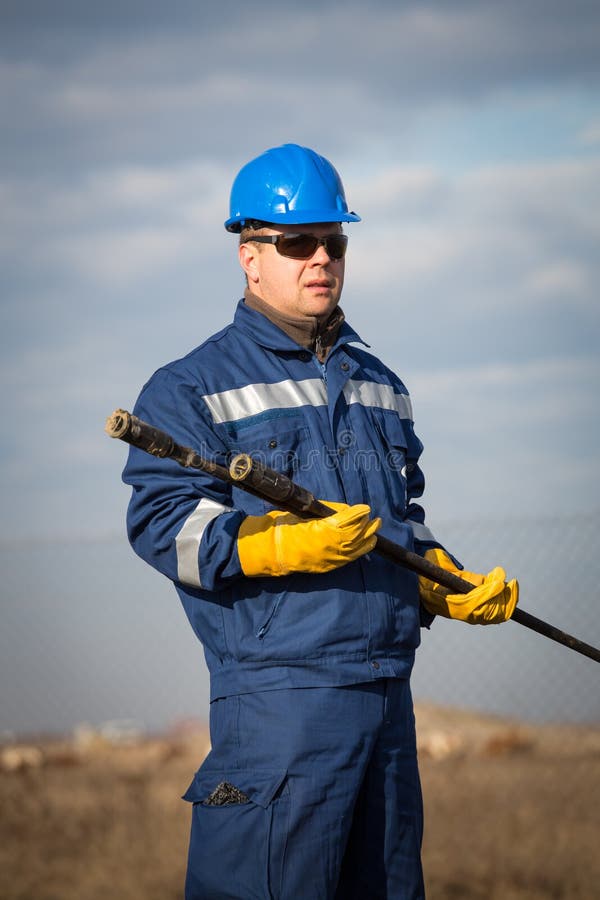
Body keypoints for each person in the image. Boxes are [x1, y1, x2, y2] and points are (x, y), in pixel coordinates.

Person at [122, 143, 518, 899]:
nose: (320, 259)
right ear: (249, 256)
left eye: (333, 241)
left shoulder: (382, 386)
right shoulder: (190, 388)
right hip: (278, 706)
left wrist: (441, 578)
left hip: (388, 697)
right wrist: (276, 545)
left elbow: (402, 521)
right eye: (297, 242)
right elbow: (161, 525)